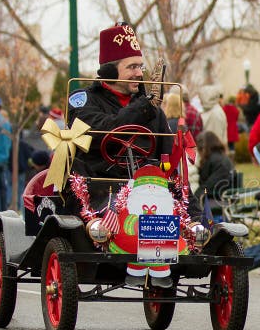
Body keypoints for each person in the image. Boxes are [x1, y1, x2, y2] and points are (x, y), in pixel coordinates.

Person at [67, 23, 184, 288]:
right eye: (131, 67)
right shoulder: (83, 100)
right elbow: (103, 130)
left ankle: (191, 241)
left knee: (188, 203)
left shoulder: (151, 107)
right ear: (110, 70)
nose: (139, 73)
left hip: (148, 184)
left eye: (140, 67)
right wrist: (144, 106)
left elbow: (166, 152)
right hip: (99, 185)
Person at [195, 130, 234, 203]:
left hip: (217, 197)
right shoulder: (222, 157)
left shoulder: (214, 160)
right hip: (222, 194)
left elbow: (207, 187)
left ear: (203, 148)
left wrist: (194, 198)